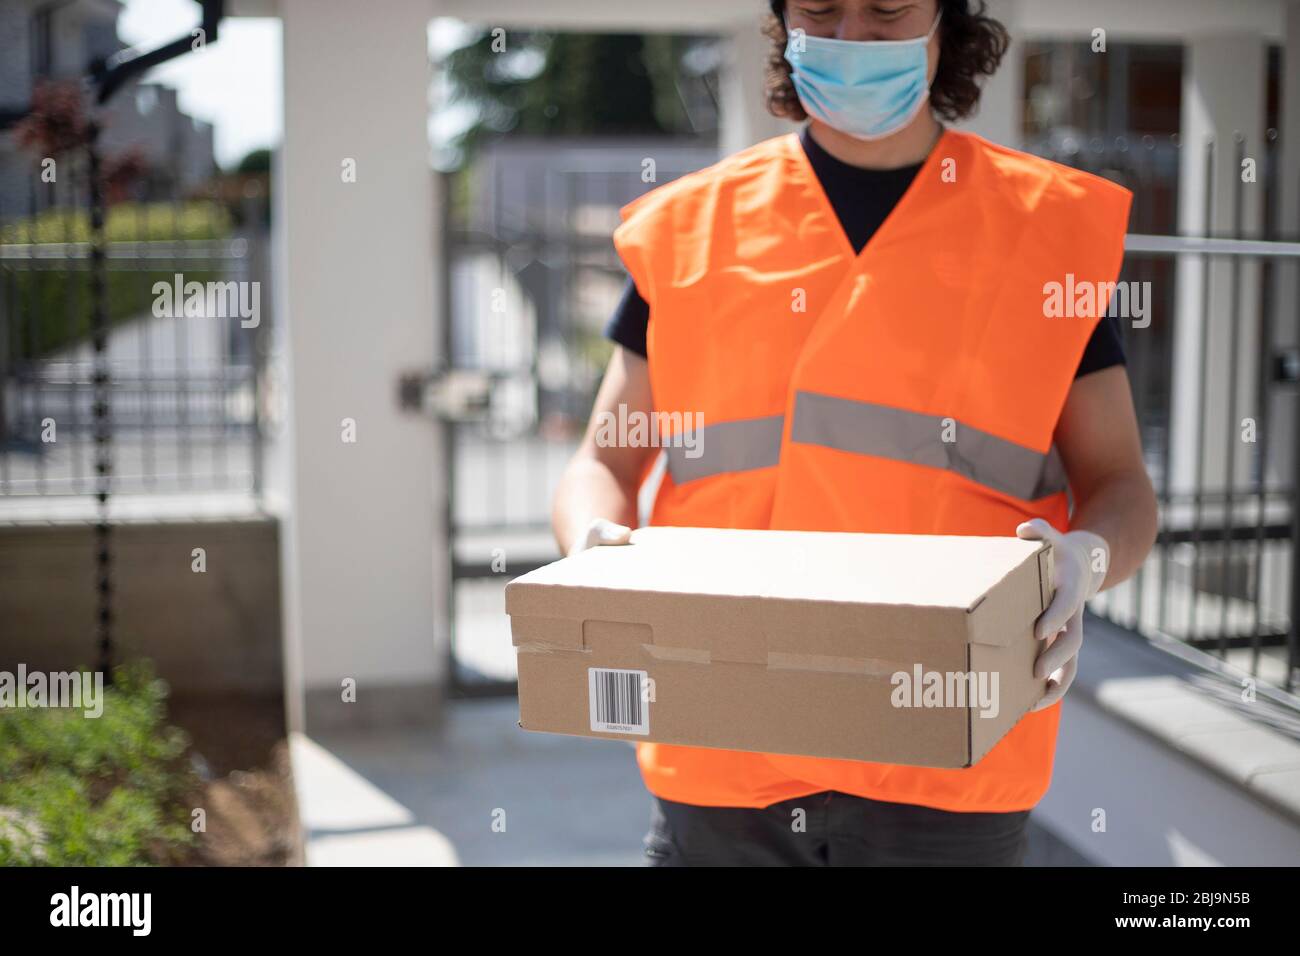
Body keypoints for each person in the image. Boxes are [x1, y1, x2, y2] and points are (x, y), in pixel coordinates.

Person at [551, 0, 1158, 866]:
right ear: (784, 23)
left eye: (885, 12)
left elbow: (1121, 485)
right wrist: (593, 544)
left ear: (947, 23)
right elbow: (601, 463)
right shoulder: (690, 231)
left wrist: (1085, 559)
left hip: (950, 751)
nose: (850, 42)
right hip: (723, 750)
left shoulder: (1040, 233)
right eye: (822, 14)